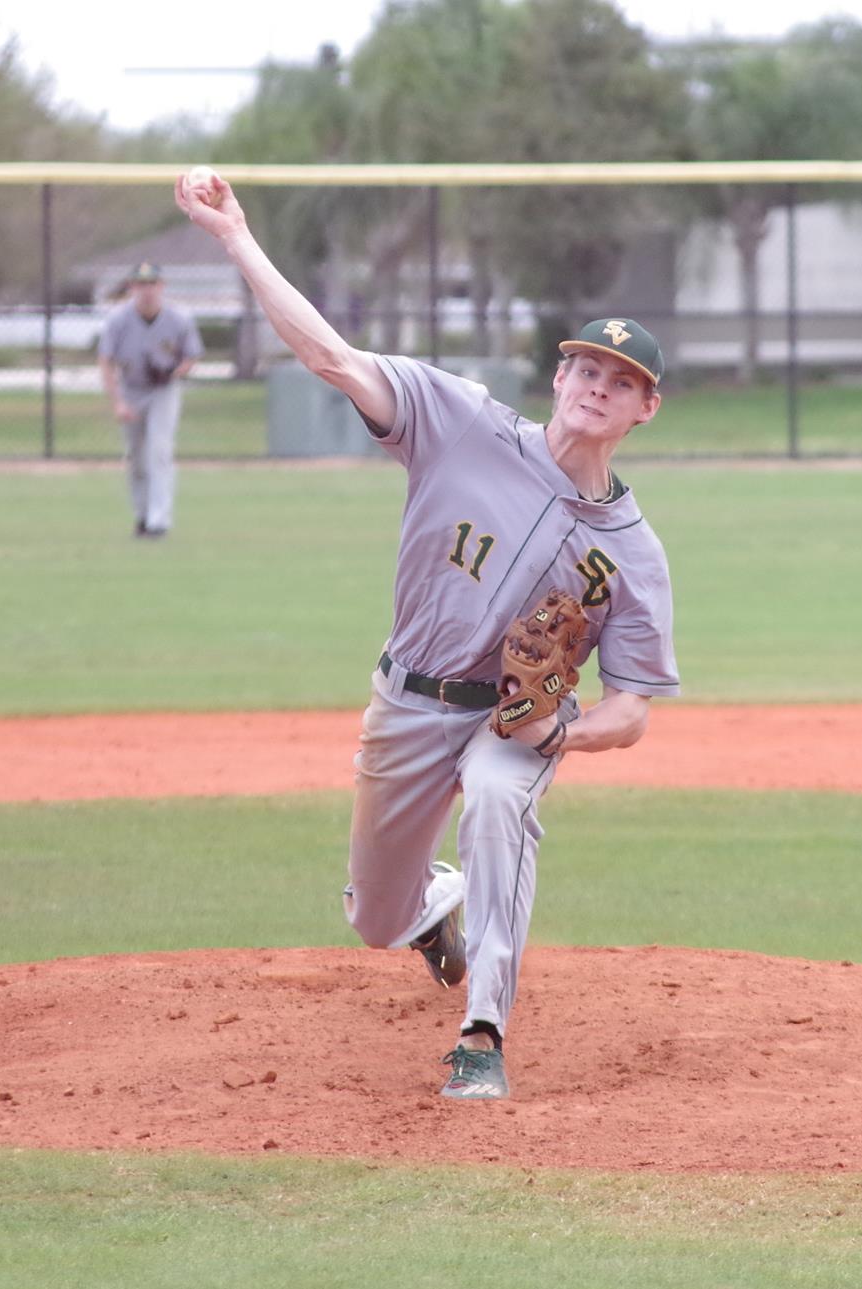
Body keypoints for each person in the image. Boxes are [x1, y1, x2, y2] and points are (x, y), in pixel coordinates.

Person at [175, 169, 680, 1101]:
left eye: (626, 382)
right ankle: (430, 907)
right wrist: (237, 240)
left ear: (646, 409)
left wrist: (557, 732)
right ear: (559, 376)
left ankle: (482, 1031)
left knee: (497, 802)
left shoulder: (633, 555)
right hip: (407, 701)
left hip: (508, 725)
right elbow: (330, 357)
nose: (600, 388)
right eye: (589, 369)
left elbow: (636, 707)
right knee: (374, 918)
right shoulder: (459, 421)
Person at [98, 262, 203, 539]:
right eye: (141, 284)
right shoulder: (118, 320)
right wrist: (118, 403)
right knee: (136, 457)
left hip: (163, 390)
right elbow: (106, 362)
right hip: (132, 388)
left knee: (159, 451)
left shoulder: (178, 318)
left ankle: (159, 521)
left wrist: (175, 371)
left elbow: (191, 355)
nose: (147, 290)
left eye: (152, 284)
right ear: (132, 287)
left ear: (162, 286)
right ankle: (142, 515)